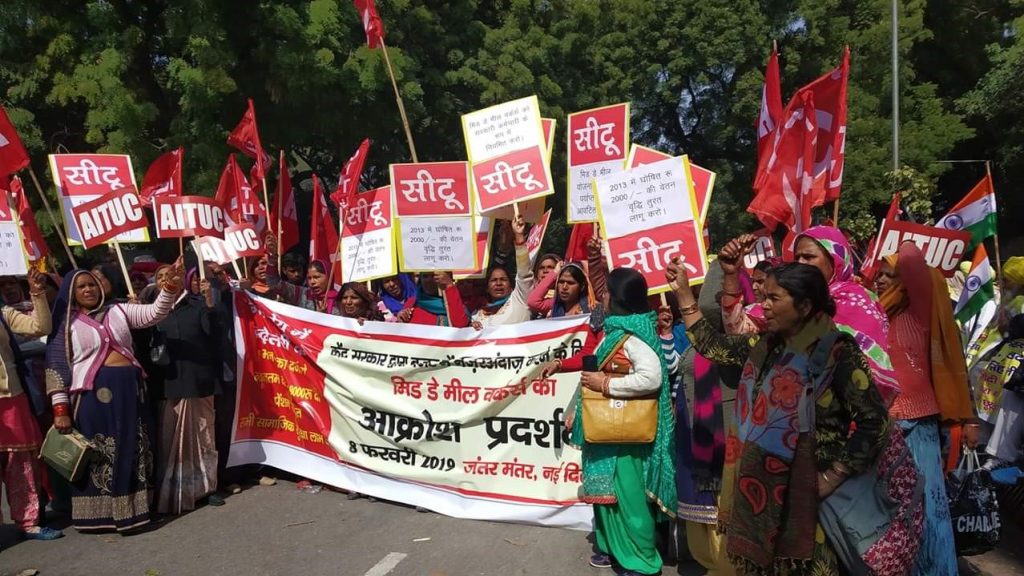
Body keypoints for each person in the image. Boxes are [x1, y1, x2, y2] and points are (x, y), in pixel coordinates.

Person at [668, 258, 891, 575]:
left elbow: (875, 422)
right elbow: (712, 345)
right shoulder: (764, 345)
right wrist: (683, 293)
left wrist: (832, 475)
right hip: (761, 498)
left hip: (812, 500)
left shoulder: (837, 352)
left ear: (804, 305)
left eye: (774, 298)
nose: (764, 305)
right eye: (764, 296)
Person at [46, 260, 184, 532]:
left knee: (135, 450)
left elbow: (155, 313)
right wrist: (60, 409)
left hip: (130, 392)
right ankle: (100, 517)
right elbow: (56, 366)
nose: (88, 290)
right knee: (102, 453)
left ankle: (135, 513)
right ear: (72, 292)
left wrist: (168, 288)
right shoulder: (66, 325)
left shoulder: (119, 310)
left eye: (92, 285)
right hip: (93, 398)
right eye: (82, 286)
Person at [561, 267, 675, 576]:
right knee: (612, 498)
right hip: (608, 431)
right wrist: (577, 407)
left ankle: (641, 559)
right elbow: (591, 376)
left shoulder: (634, 335)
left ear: (621, 297)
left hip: (625, 436)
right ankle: (619, 553)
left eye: (608, 292)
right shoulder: (614, 331)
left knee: (629, 499)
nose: (603, 298)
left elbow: (651, 377)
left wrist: (606, 385)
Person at [876, 242, 971, 576]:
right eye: (880, 274)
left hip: (916, 425)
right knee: (893, 513)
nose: (881, 281)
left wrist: (901, 244)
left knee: (926, 510)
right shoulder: (876, 313)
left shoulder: (917, 312)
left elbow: (914, 260)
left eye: (891, 275)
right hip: (885, 425)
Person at [794, 226, 899, 402]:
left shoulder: (857, 301)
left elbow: (865, 375)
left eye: (809, 257)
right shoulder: (795, 301)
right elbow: (744, 327)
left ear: (835, 260)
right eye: (797, 257)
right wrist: (731, 275)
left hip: (848, 416)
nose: (800, 264)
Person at [154, 267, 223, 514]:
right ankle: (172, 493)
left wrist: (210, 303)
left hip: (200, 382)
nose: (165, 280)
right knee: (171, 441)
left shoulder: (196, 306)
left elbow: (216, 334)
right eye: (160, 277)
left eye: (170, 275)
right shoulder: (150, 313)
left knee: (204, 438)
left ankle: (207, 489)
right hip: (169, 385)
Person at [1, 269, 62, 540]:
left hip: (11, 396)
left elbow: (40, 328)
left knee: (21, 464)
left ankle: (28, 521)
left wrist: (36, 292)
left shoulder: (3, 312)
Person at [472, 215, 533, 328]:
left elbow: (524, 274)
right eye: (493, 280)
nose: (498, 283)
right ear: (487, 287)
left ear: (511, 285)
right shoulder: (476, 314)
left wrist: (519, 236)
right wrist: (472, 329)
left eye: (503, 279)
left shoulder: (519, 299)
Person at [399, 271, 470, 327]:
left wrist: (449, 286)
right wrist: (401, 317)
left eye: (434, 276)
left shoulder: (455, 301)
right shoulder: (412, 303)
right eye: (425, 276)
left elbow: (460, 326)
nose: (428, 280)